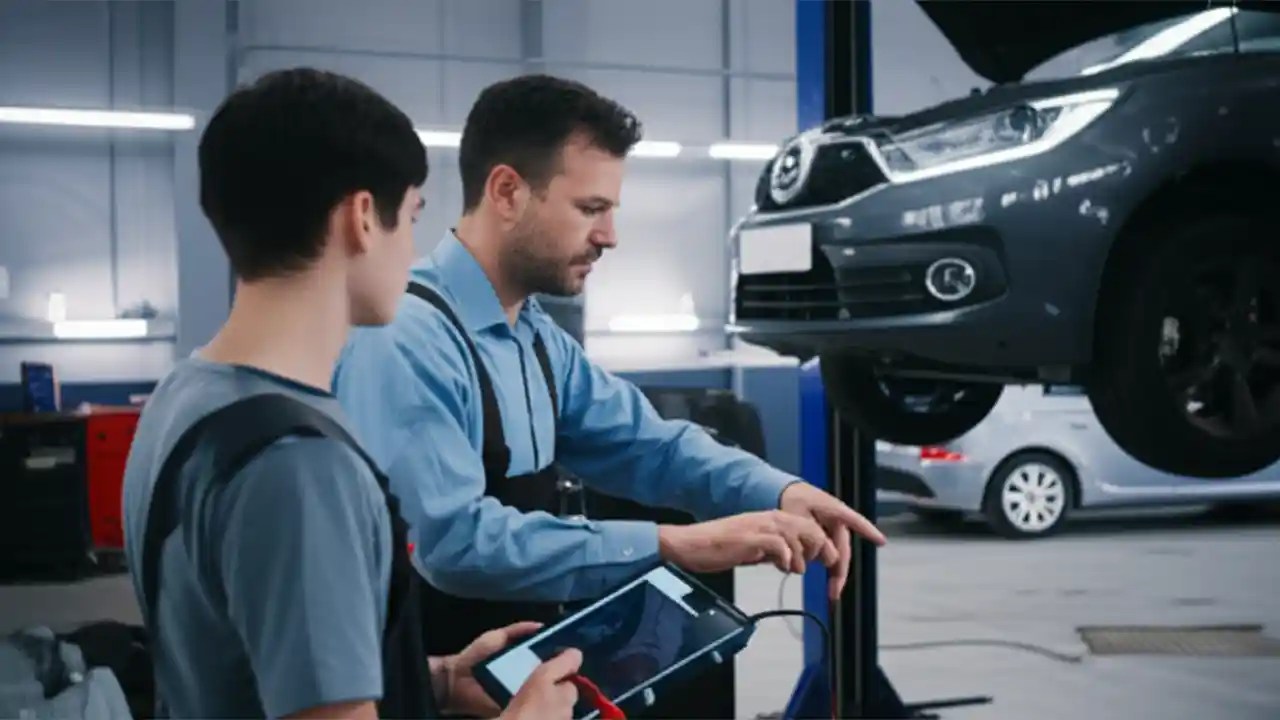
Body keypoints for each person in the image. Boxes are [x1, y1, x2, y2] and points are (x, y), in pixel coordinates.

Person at [332, 72, 887, 658]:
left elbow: (650, 446)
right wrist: (676, 544)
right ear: (507, 192)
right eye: (590, 208)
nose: (609, 236)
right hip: (430, 679)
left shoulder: (537, 340)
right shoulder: (407, 337)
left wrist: (778, 492)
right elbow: (454, 544)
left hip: (513, 672)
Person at [121, 67, 580, 720]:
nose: (413, 250)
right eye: (412, 218)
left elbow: (242, 657)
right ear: (362, 218)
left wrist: (439, 679)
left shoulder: (186, 395)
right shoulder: (302, 468)